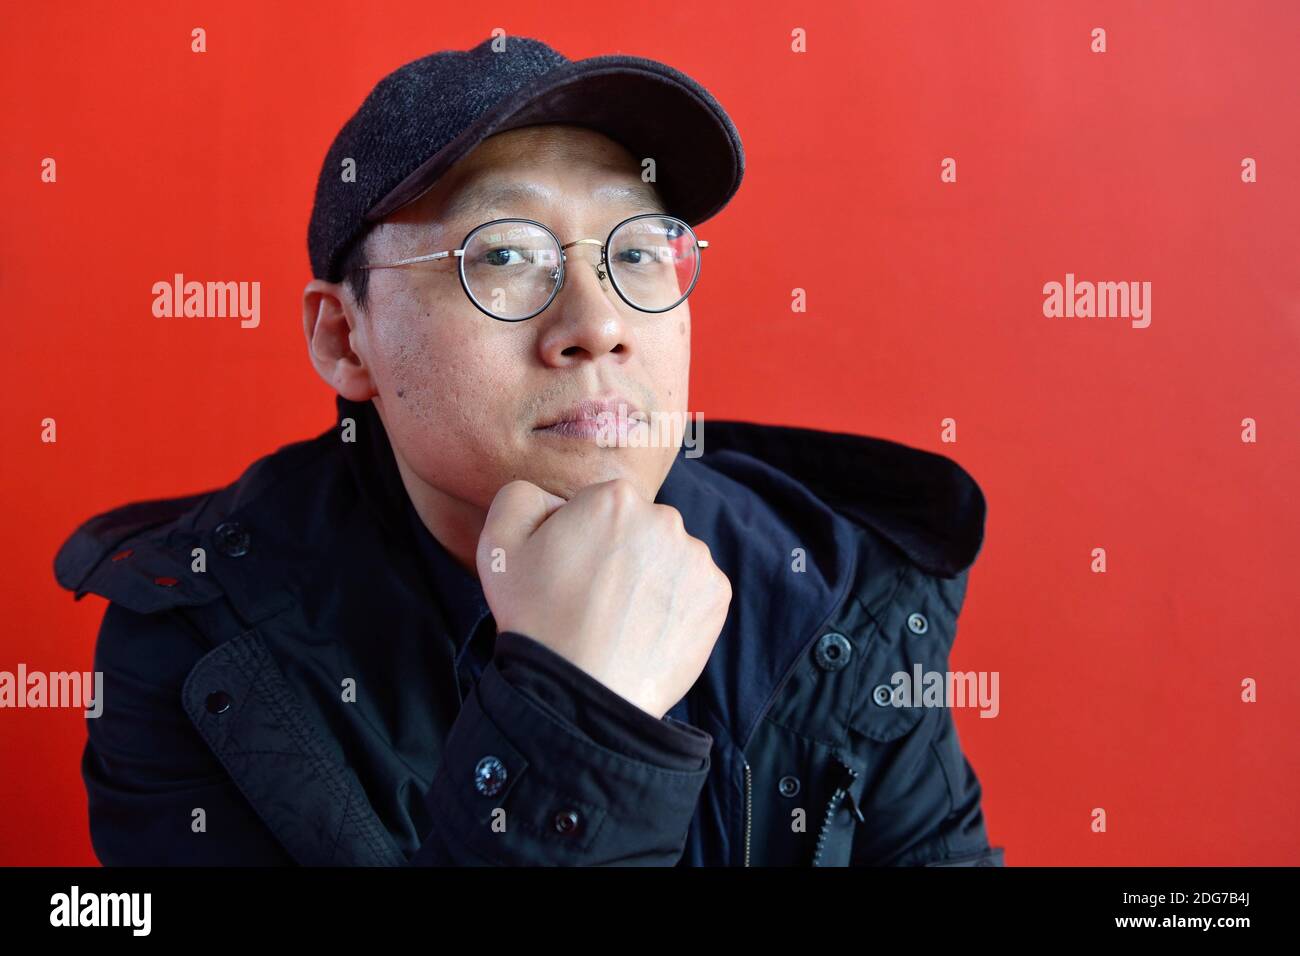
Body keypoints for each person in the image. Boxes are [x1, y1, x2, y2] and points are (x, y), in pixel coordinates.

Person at [54, 35, 1004, 866]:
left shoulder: (839, 601)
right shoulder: (203, 649)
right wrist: (583, 718)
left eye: (635, 251)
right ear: (347, 340)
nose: (598, 326)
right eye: (504, 254)